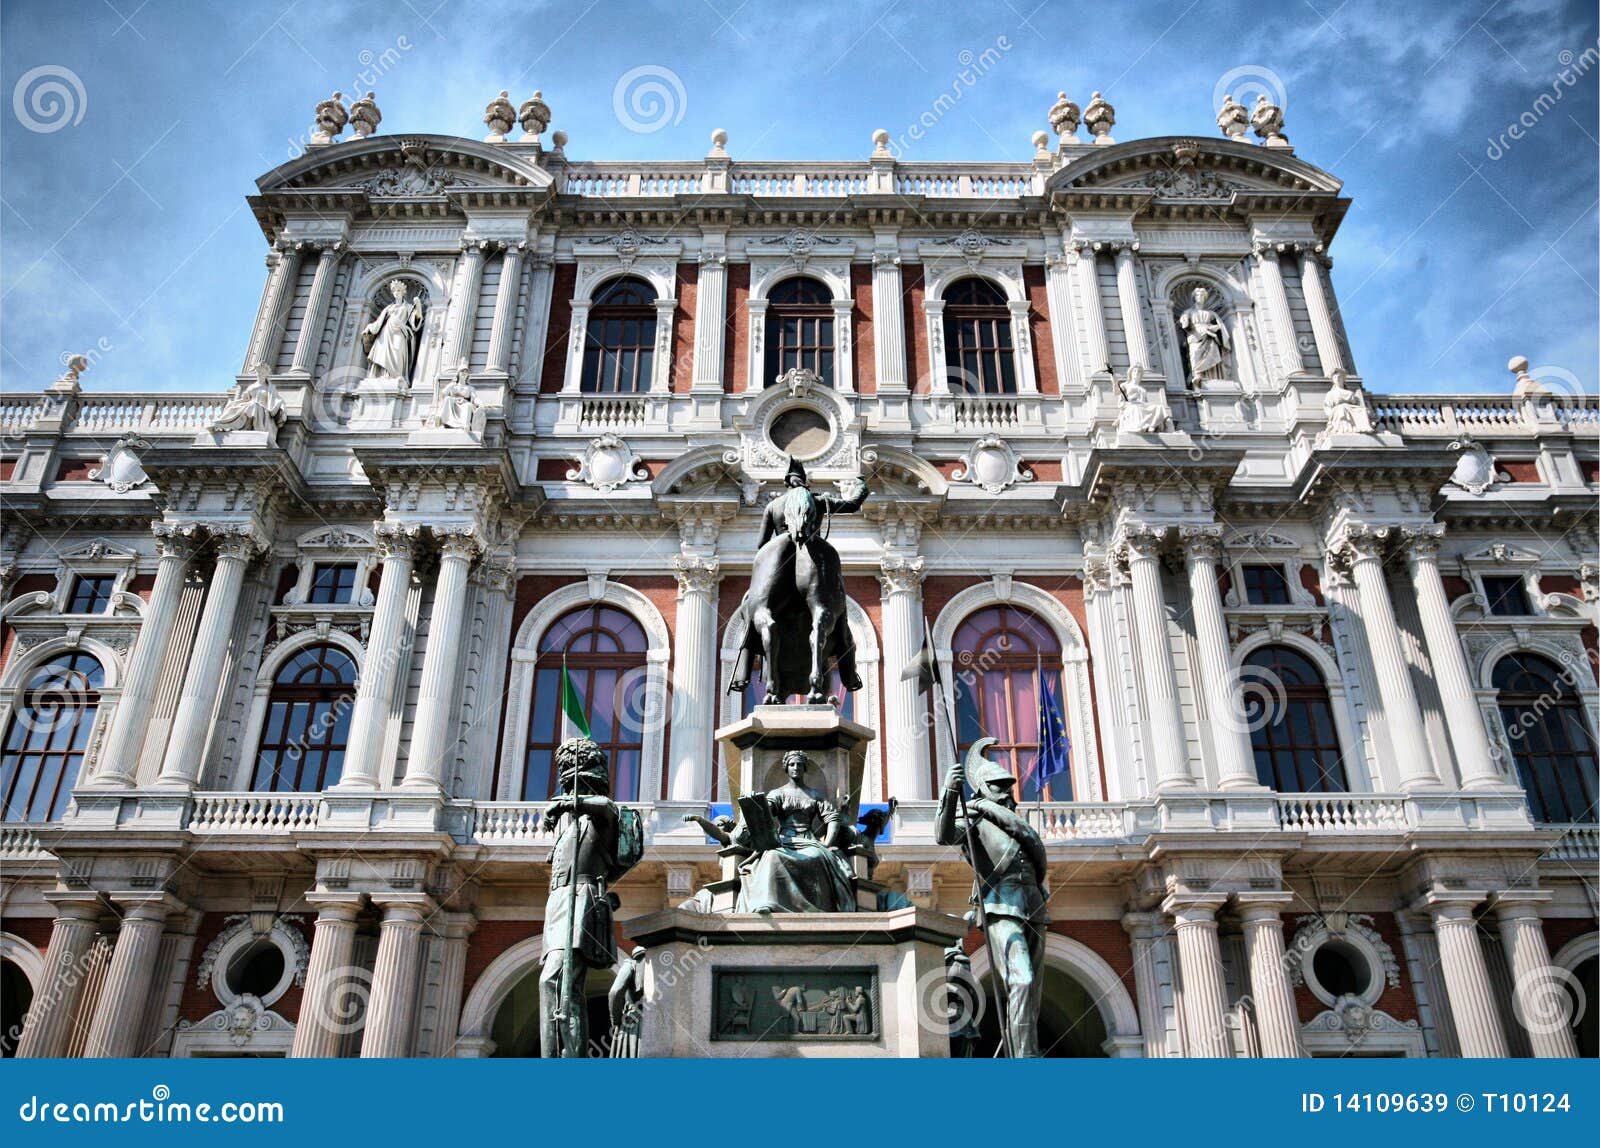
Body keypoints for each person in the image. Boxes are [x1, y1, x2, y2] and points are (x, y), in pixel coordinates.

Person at [934, 738, 1050, 1057]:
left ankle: (1023, 1052)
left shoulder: (1018, 823)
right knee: (1022, 979)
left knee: (1030, 994)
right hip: (1000, 907)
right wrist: (949, 792)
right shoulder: (975, 818)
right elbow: (943, 835)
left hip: (1035, 908)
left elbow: (1035, 859)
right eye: (998, 786)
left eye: (1008, 786)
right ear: (983, 789)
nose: (1007, 792)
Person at [728, 456, 869, 704]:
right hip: (814, 553)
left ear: (786, 483)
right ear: (804, 482)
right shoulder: (817, 501)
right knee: (838, 610)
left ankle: (745, 671)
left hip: (775, 560)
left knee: (751, 606)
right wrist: (862, 487)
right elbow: (852, 504)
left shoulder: (773, 507)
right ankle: (848, 673)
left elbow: (762, 545)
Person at [537, 737, 643, 1057]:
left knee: (558, 980)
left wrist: (561, 804)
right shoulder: (573, 827)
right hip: (559, 902)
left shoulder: (601, 819)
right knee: (555, 983)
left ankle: (568, 1059)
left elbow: (606, 808)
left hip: (581, 898)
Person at [734, 750, 856, 914]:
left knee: (817, 856)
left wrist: (827, 844)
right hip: (783, 841)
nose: (796, 767)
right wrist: (754, 802)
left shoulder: (815, 795)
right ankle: (766, 902)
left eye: (799, 764)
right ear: (786, 768)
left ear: (805, 768)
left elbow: (832, 818)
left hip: (809, 841)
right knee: (772, 856)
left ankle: (818, 906)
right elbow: (765, 813)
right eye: (792, 764)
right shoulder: (777, 793)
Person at [362, 278, 425, 382]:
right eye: (394, 291)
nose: (396, 293)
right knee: (383, 354)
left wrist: (418, 305)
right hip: (386, 333)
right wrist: (369, 328)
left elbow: (417, 320)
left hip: (400, 333)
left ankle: (395, 377)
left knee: (398, 353)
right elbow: (379, 322)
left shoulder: (408, 307)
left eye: (398, 290)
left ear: (403, 292)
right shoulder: (389, 308)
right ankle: (382, 376)